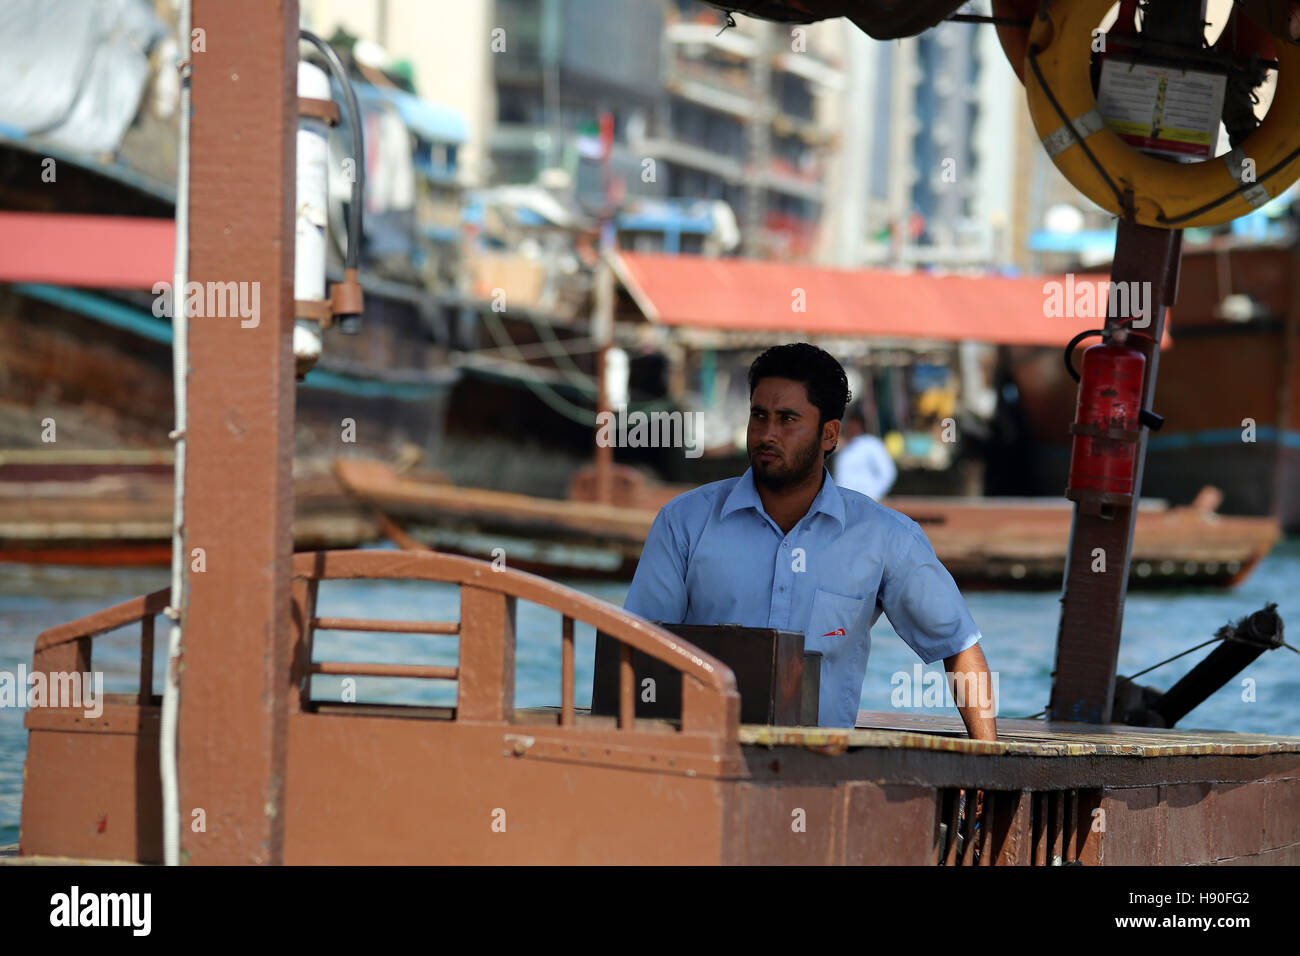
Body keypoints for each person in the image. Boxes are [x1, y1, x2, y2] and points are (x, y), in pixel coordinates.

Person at [623, 343, 996, 738]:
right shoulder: (683, 523)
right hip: (702, 764)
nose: (767, 434)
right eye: (759, 416)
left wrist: (988, 763)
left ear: (829, 434)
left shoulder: (884, 537)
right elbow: (636, 647)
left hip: (822, 775)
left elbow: (958, 645)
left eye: (787, 420)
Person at [831, 402, 897, 500]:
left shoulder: (872, 444)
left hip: (864, 503)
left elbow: (888, 473)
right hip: (843, 502)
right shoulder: (844, 447)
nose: (849, 426)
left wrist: (872, 496)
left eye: (852, 422)